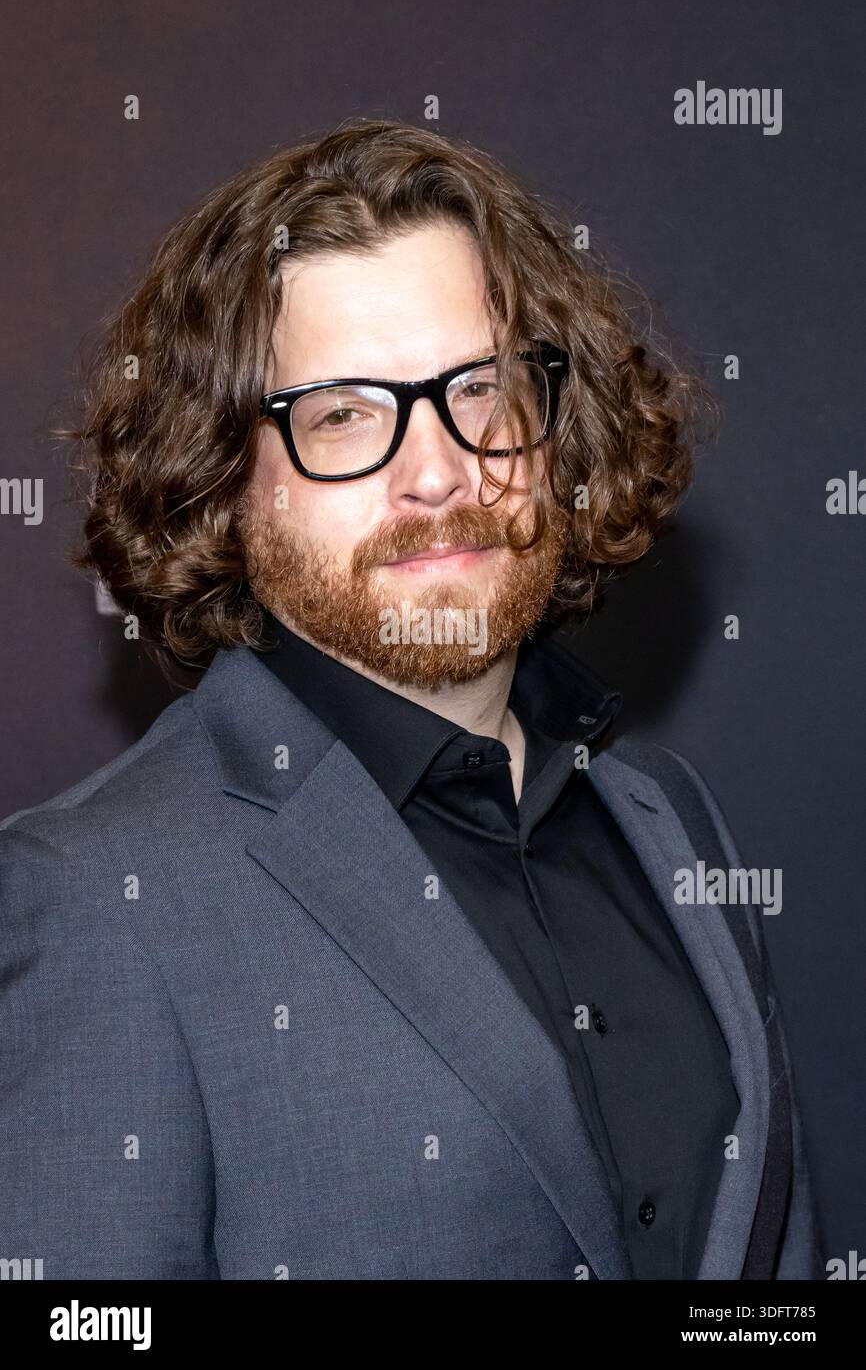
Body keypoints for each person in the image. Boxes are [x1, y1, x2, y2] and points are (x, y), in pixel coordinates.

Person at [0, 118, 822, 1280]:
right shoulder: (98, 903)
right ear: (227, 482)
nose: (435, 470)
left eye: (476, 389)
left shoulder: (668, 823)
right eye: (343, 414)